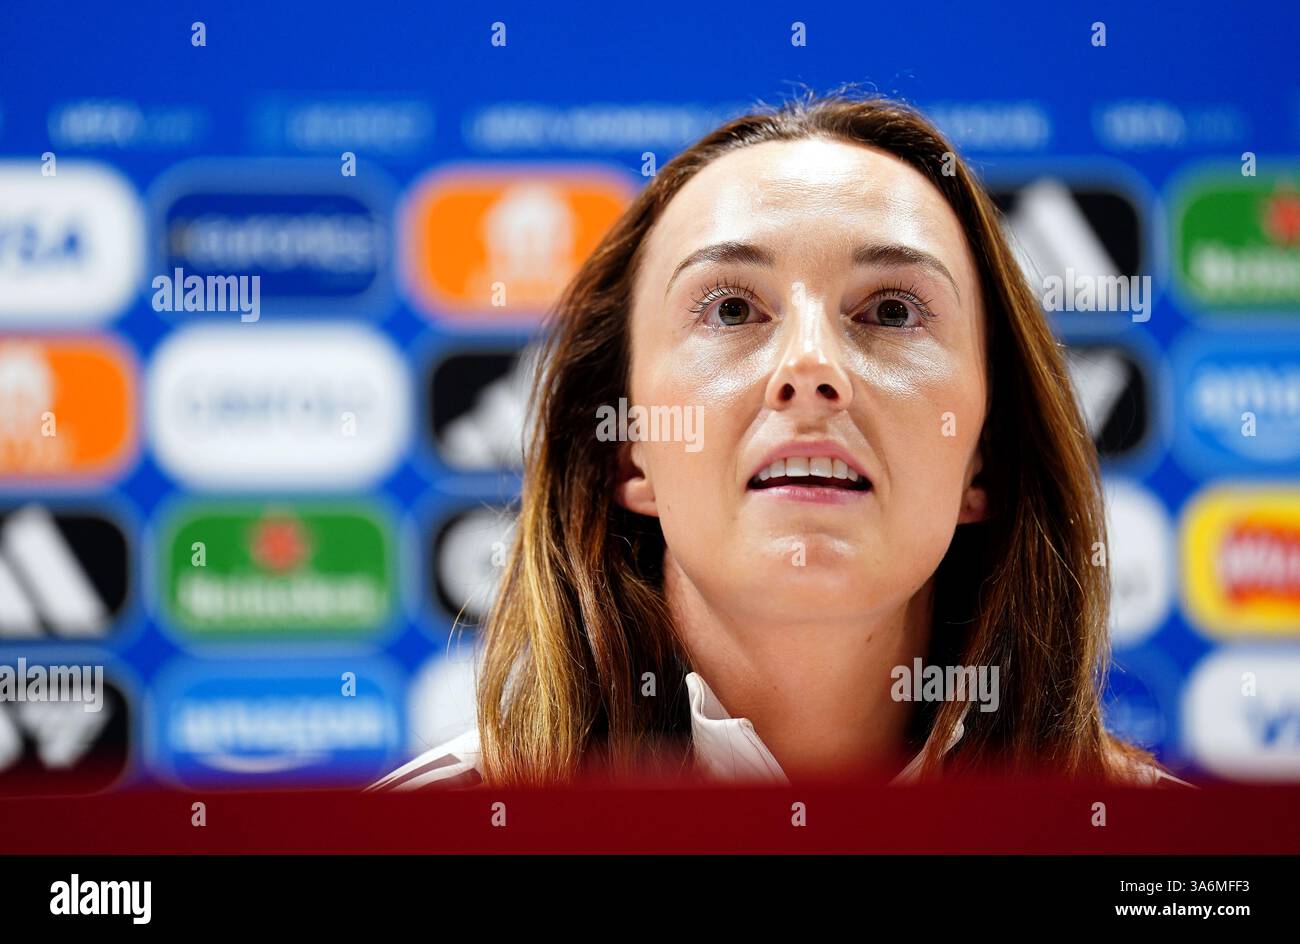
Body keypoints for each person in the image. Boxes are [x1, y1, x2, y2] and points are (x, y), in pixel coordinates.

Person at [370, 89, 1190, 793]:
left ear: (983, 459)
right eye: (730, 309)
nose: (810, 365)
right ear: (629, 451)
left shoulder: (1181, 855)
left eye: (892, 312)